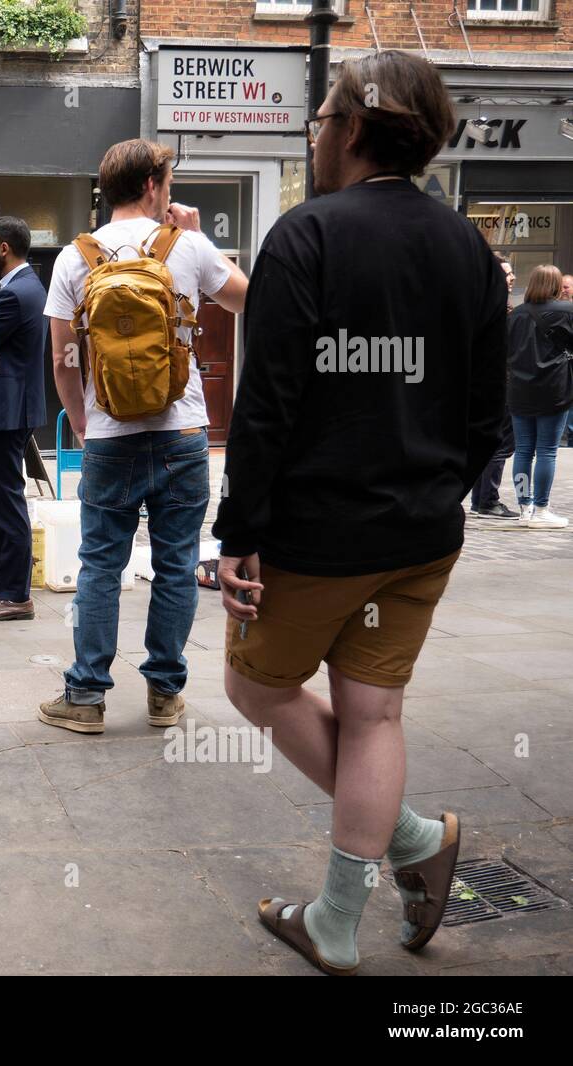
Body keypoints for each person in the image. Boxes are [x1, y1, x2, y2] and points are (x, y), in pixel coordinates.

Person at [213, 51, 508, 975]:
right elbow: (487, 414)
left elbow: (267, 406)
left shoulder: (308, 236)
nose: (314, 131)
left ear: (349, 127)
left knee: (255, 689)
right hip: (421, 534)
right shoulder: (467, 245)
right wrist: (434, 489)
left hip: (319, 533)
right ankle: (366, 890)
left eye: (322, 115)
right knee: (374, 715)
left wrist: (239, 533)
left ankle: (399, 858)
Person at [38, 138, 248, 735]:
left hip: (110, 437)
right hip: (182, 432)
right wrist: (199, 235)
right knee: (177, 564)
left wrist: (83, 424)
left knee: (101, 565)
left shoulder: (75, 257)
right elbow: (245, 296)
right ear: (155, 185)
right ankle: (164, 694)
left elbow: (63, 359)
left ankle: (85, 697)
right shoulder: (189, 245)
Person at [0, 215, 47, 622]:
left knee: (6, 501)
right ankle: (3, 587)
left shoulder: (15, 294)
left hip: (6, 411)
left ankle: (16, 594)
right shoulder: (22, 287)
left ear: (4, 248)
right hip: (10, 408)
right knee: (1, 498)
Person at [507, 264, 573, 528]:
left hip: (519, 391)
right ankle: (542, 509)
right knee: (547, 451)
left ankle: (524, 507)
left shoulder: (516, 315)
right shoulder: (567, 312)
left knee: (523, 450)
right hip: (553, 391)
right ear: (557, 285)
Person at [469, 252, 519, 520]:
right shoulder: (493, 310)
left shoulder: (485, 306)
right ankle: (488, 499)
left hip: (491, 384)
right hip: (497, 386)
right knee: (499, 444)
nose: (512, 278)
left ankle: (481, 500)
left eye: (512, 273)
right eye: (507, 273)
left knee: (490, 442)